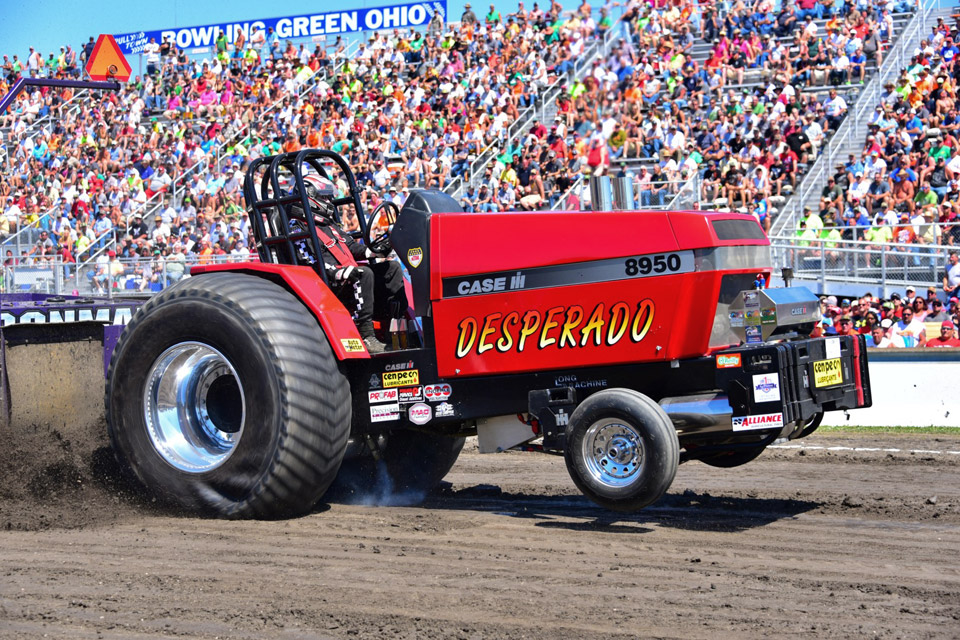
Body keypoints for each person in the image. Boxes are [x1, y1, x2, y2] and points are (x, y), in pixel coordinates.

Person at [289, 174, 405, 353]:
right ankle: (366, 335)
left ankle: (395, 327)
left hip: (344, 276)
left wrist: (375, 250)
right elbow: (308, 262)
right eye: (325, 197)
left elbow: (351, 246)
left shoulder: (329, 225)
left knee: (392, 269)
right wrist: (338, 272)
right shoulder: (298, 226)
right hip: (325, 282)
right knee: (363, 273)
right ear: (311, 197)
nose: (329, 200)